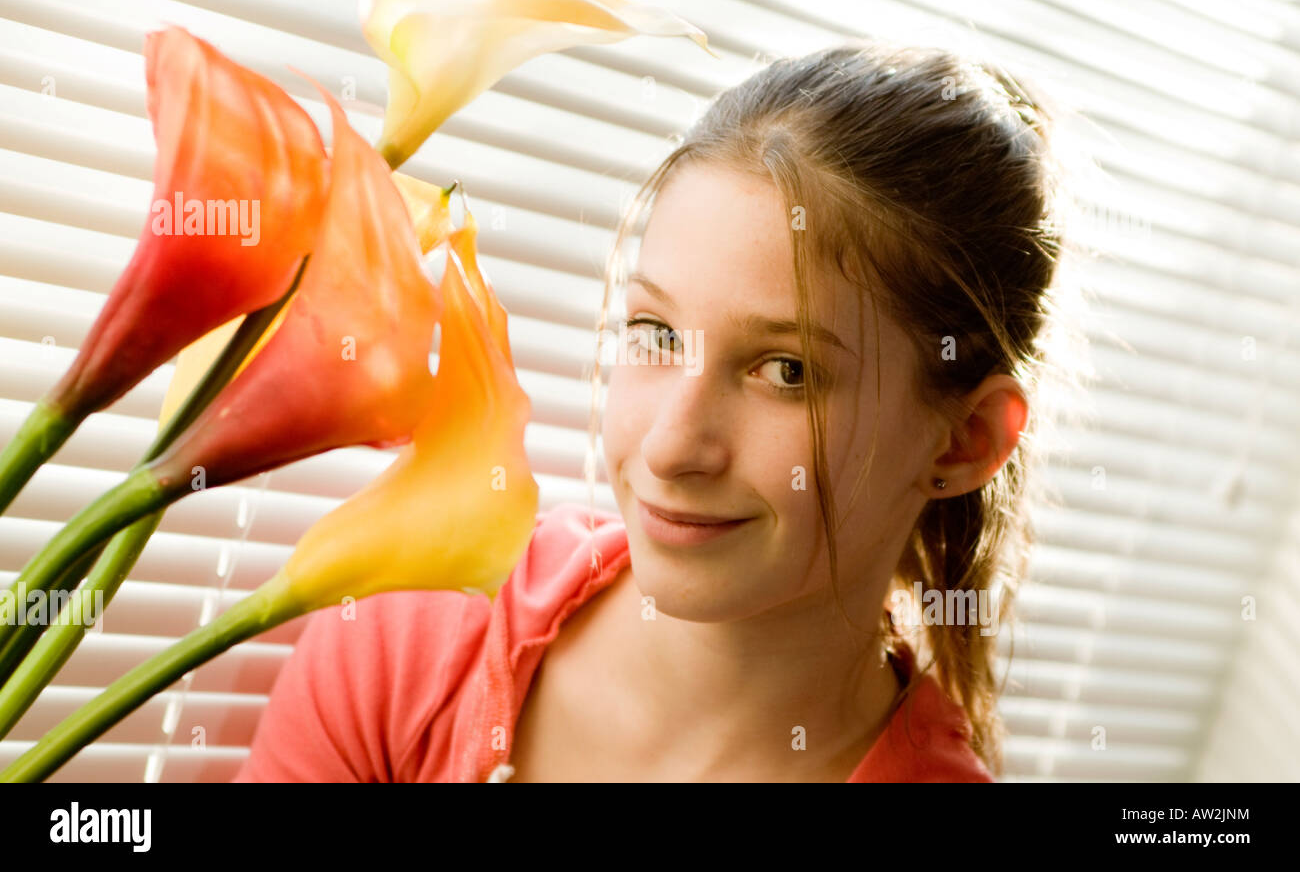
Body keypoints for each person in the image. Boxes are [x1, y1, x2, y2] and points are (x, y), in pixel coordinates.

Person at [232, 39, 1075, 783]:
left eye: (785, 370)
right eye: (656, 333)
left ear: (963, 440)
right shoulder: (414, 636)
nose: (671, 447)